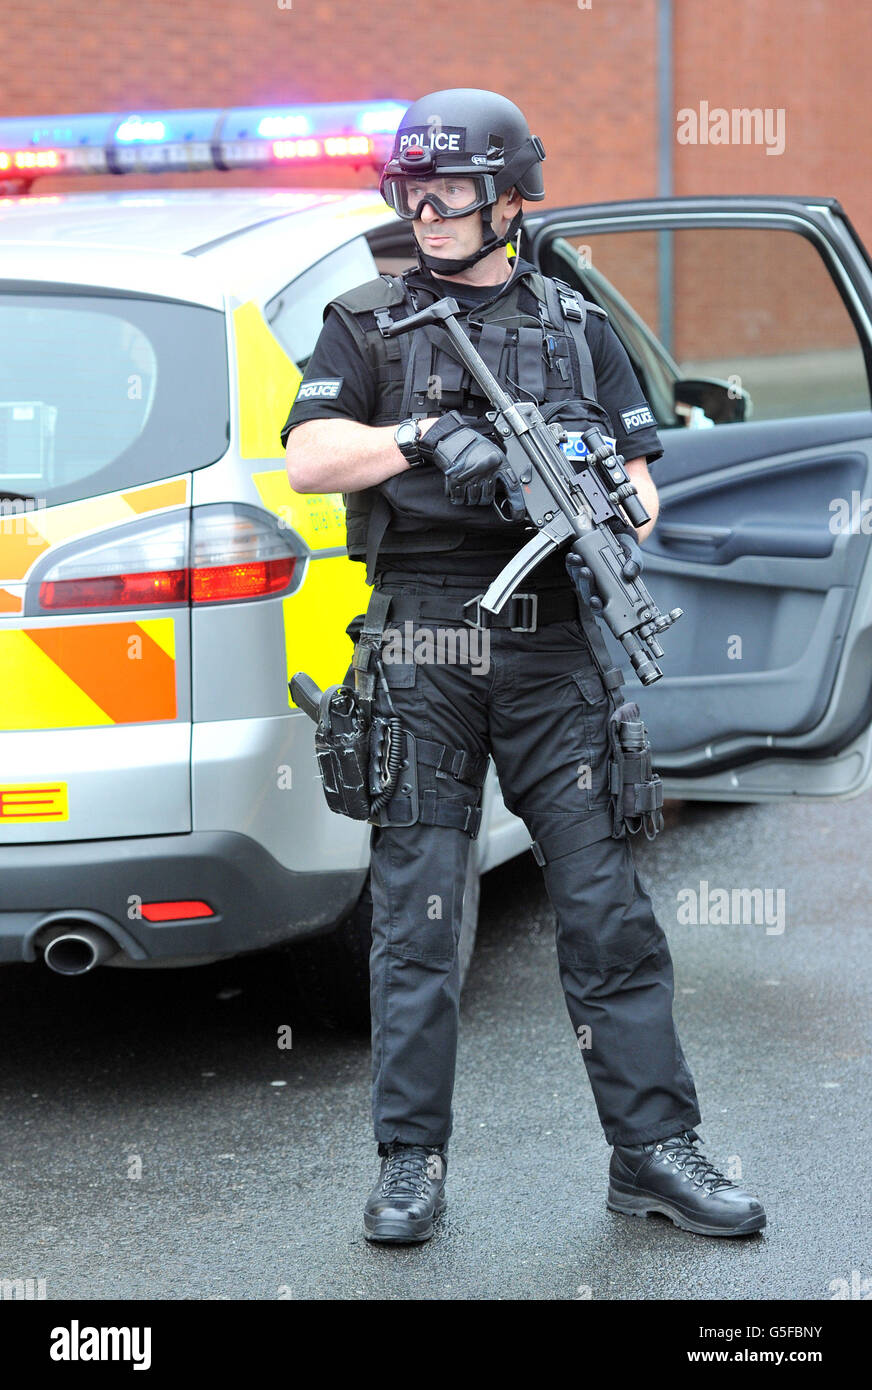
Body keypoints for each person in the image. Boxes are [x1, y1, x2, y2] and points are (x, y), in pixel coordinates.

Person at [283, 88, 765, 1244]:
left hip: (555, 646)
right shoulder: (364, 321)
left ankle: (651, 1151)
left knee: (605, 911)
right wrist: (417, 436)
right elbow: (306, 459)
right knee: (418, 917)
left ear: (507, 198)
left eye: (450, 188)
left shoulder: (572, 324)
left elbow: (643, 493)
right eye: (413, 186)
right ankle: (409, 1163)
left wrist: (582, 473)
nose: (427, 205)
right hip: (424, 638)